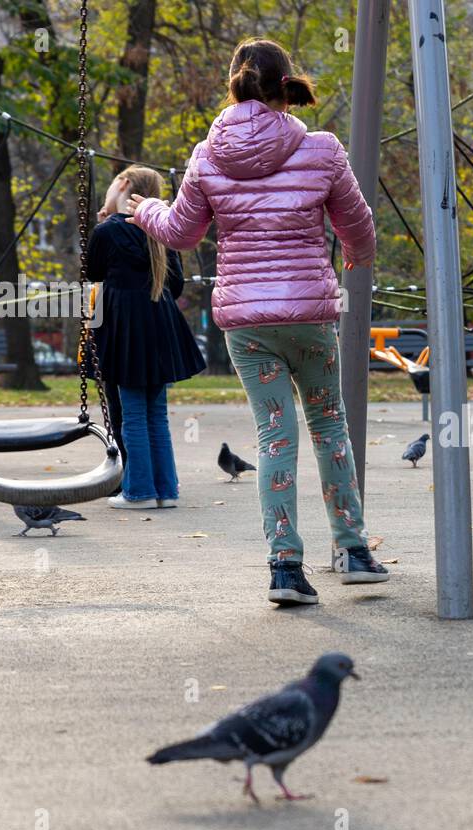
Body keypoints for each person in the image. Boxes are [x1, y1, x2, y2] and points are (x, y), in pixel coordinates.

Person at [130, 37, 388, 606]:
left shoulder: (206, 155)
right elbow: (359, 227)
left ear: (234, 85)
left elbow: (181, 234)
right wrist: (353, 258)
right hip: (310, 317)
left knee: (276, 436)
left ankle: (285, 567)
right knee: (329, 428)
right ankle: (354, 551)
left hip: (245, 322)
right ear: (285, 85)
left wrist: (140, 208)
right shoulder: (321, 150)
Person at [89, 165, 205, 509]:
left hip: (127, 324)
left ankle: (138, 490)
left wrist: (103, 222)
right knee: (156, 413)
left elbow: (93, 273)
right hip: (161, 320)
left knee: (134, 413)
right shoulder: (163, 228)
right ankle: (165, 489)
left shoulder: (108, 231)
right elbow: (177, 283)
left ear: (123, 185)